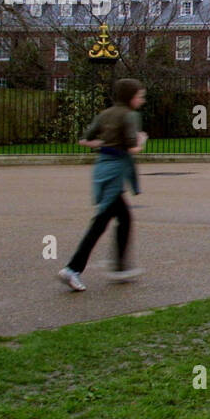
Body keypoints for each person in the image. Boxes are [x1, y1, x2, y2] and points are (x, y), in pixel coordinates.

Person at [58, 78, 147, 291]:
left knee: (121, 218)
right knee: (102, 222)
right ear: (130, 97)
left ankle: (119, 267)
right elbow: (131, 148)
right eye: (140, 96)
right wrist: (142, 140)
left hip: (102, 169)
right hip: (115, 173)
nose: (142, 100)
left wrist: (106, 145)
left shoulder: (105, 114)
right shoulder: (130, 116)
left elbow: (85, 141)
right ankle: (72, 269)